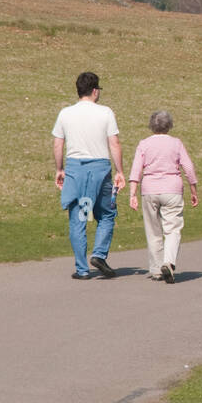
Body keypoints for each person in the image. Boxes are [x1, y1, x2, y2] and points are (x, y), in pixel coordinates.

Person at [52, 71, 126, 280]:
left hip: (76, 169)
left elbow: (58, 143)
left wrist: (59, 169)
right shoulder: (105, 113)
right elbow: (114, 143)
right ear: (95, 91)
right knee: (106, 213)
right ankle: (99, 253)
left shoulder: (65, 113)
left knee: (79, 218)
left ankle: (82, 268)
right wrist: (120, 171)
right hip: (99, 169)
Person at [128, 111, 198, 283]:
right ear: (169, 125)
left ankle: (157, 269)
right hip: (172, 189)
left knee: (153, 231)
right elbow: (188, 167)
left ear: (152, 125)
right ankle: (168, 262)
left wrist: (132, 193)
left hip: (150, 189)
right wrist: (193, 189)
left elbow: (136, 169)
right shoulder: (176, 143)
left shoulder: (144, 144)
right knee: (172, 229)